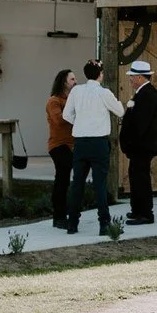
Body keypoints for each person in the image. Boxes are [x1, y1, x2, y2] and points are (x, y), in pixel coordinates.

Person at [62, 59, 124, 236]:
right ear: (100, 74)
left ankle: (72, 223)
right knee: (100, 184)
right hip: (98, 142)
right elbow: (120, 111)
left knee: (77, 184)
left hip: (80, 142)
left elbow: (67, 115)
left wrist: (80, 123)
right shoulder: (104, 93)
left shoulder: (76, 91)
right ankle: (104, 224)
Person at [119, 60, 157, 225]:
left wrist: (130, 142)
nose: (130, 80)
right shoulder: (141, 93)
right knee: (135, 176)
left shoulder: (148, 95)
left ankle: (145, 213)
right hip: (139, 147)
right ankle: (137, 209)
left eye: (132, 77)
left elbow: (140, 124)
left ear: (139, 77)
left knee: (141, 178)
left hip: (142, 146)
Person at [46, 69, 77, 229]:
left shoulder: (72, 99)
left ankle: (68, 212)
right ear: (64, 82)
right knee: (62, 178)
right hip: (58, 145)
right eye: (72, 79)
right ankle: (59, 216)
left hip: (72, 145)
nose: (75, 82)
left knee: (67, 179)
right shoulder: (54, 101)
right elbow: (59, 120)